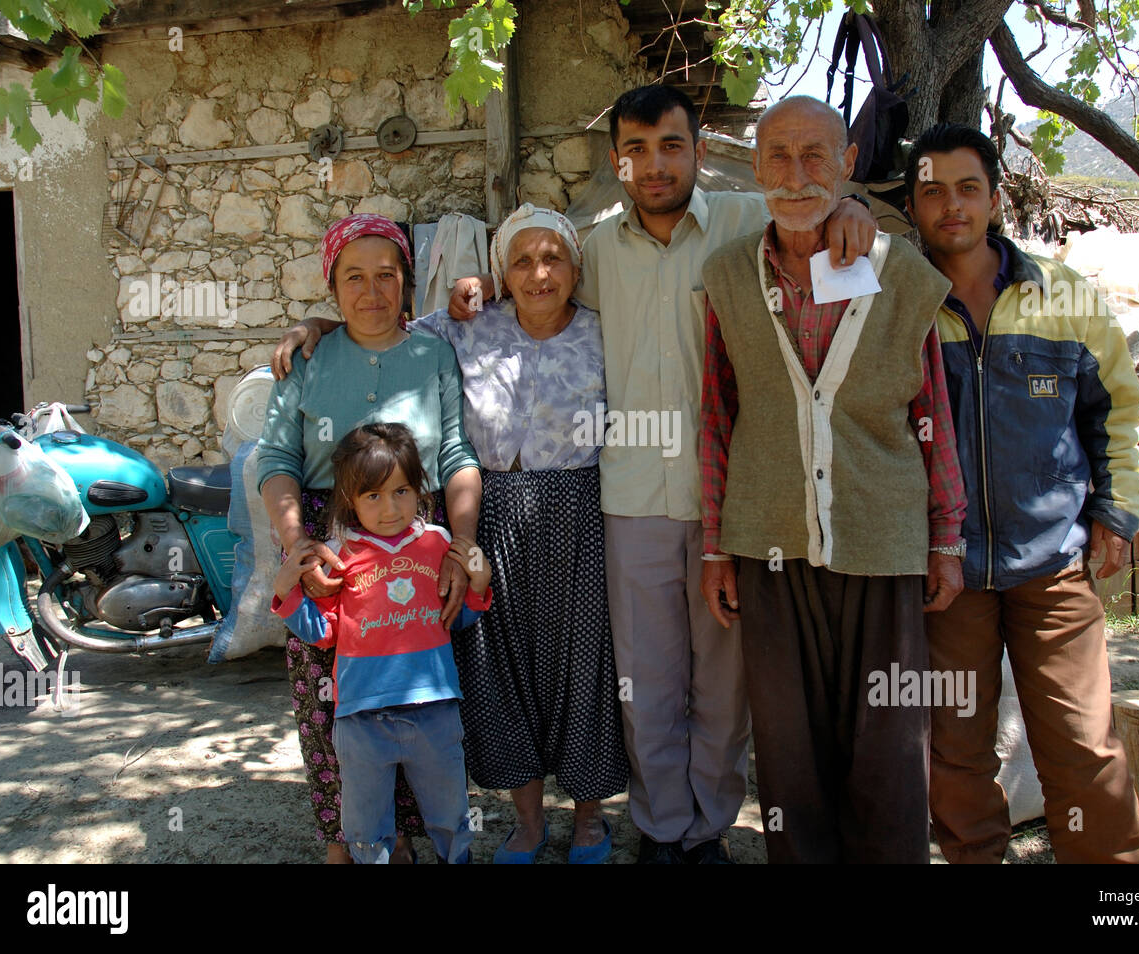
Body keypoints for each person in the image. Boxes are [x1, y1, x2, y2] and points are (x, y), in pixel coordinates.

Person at [276, 85, 878, 864]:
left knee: (704, 688)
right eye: (637, 150)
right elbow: (417, 314)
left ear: (697, 149)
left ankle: (701, 832)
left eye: (671, 145)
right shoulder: (559, 271)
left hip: (696, 500)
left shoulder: (736, 221)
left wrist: (852, 204)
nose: (655, 165)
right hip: (582, 510)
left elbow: (808, 201)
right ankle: (656, 829)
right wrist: (323, 323)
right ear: (617, 162)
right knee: (626, 683)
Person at [699, 95, 968, 864]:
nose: (796, 174)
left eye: (817, 154)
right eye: (778, 156)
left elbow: (932, 411)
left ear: (849, 164)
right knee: (787, 748)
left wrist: (947, 534)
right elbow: (717, 415)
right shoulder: (726, 276)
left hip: (882, 539)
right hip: (769, 541)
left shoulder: (900, 270)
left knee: (889, 741)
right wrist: (717, 545)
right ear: (754, 169)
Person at [906, 122, 1139, 864]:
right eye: (932, 191)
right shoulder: (898, 303)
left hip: (1053, 563)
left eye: (967, 188)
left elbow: (1115, 406)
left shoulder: (1062, 295)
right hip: (944, 571)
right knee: (955, 748)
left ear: (994, 196)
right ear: (912, 205)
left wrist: (1114, 510)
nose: (951, 205)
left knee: (1083, 742)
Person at [258, 213, 483, 863]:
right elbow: (277, 461)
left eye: (387, 274)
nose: (372, 290)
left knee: (418, 685)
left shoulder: (433, 354)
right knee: (328, 692)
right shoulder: (305, 357)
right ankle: (347, 836)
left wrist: (461, 550)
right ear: (331, 288)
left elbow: (458, 453)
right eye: (353, 276)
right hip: (327, 537)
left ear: (407, 283)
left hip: (419, 538)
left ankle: (412, 833)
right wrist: (298, 548)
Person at [412, 203, 629, 864]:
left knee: (587, 667)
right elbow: (384, 337)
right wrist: (321, 323)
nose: (540, 272)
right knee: (496, 669)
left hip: (581, 516)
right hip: (487, 515)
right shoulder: (467, 328)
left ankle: (590, 818)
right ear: (501, 272)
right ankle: (530, 823)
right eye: (522, 260)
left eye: (553, 257)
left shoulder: (603, 331)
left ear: (575, 266)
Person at [272, 422, 493, 864]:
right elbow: (322, 633)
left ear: (419, 490)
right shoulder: (339, 555)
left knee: (450, 817)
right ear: (349, 500)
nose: (390, 508)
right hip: (360, 719)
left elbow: (458, 619)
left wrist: (479, 585)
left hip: (435, 712)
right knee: (367, 828)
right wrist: (287, 591)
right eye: (373, 495)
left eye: (402, 491)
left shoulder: (438, 544)